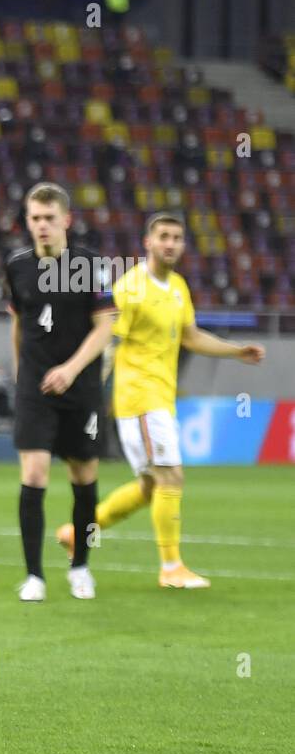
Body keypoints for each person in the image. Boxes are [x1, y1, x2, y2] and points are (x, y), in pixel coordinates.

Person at [57, 213, 265, 587]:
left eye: (177, 237)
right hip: (140, 397)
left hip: (159, 398)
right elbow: (107, 340)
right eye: (163, 236)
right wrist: (86, 395)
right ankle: (171, 568)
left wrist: (236, 352)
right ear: (147, 242)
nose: (170, 243)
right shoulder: (130, 288)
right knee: (171, 475)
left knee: (151, 486)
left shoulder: (178, 287)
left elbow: (191, 336)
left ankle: (79, 532)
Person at [6, 182, 117, 602]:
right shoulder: (16, 266)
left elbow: (106, 326)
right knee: (33, 474)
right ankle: (34, 575)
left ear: (66, 220)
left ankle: (80, 566)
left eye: (50, 218)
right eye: (35, 218)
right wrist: (21, 377)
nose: (42, 226)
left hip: (82, 388)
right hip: (35, 390)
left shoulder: (92, 265)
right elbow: (17, 324)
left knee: (83, 477)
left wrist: (71, 370)